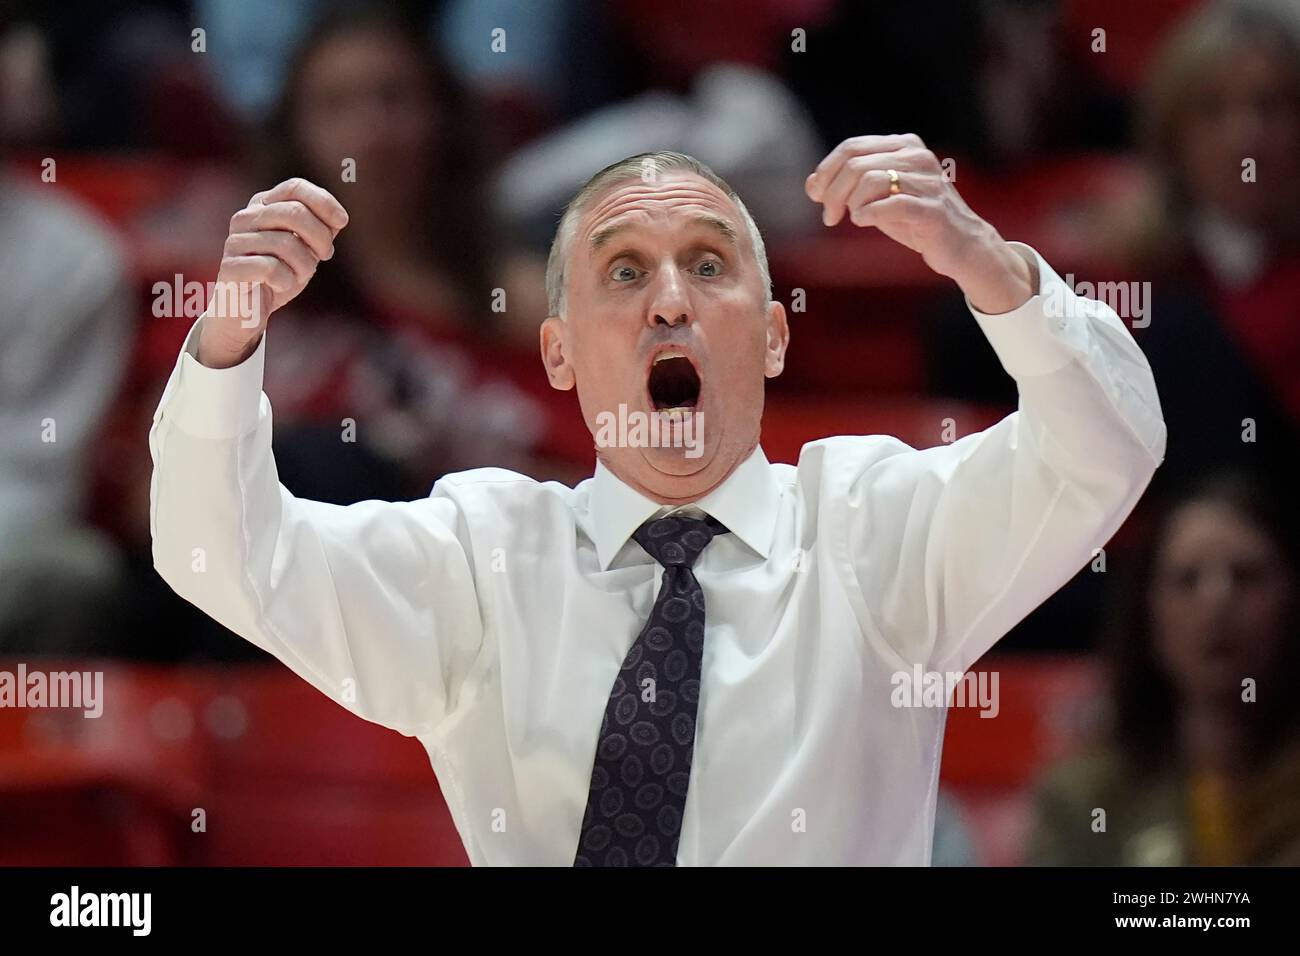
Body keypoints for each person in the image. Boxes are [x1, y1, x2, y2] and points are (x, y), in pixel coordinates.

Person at [150, 139, 1166, 865]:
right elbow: (214, 555)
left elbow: (1106, 446)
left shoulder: (873, 524)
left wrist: (986, 266)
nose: (669, 299)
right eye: (625, 270)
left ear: (772, 339)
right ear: (558, 353)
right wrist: (230, 335)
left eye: (709, 264)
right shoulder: (482, 553)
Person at [1026, 465, 1300, 865]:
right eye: (1187, 580)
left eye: (1247, 576)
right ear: (1146, 611)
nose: (1216, 604)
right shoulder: (1082, 799)